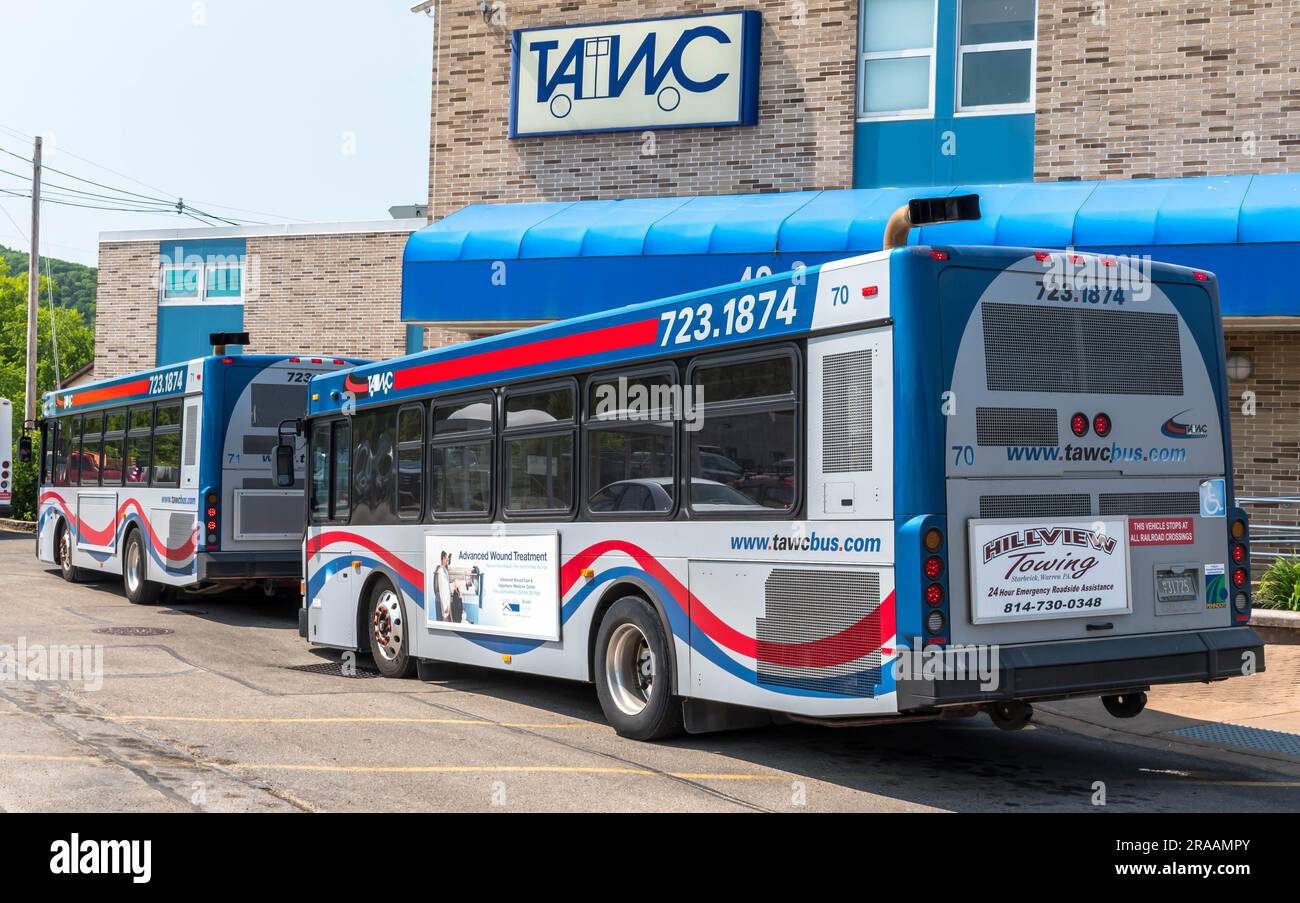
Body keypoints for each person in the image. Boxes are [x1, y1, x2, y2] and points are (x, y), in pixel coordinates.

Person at [434, 551, 452, 622]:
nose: (447, 560)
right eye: (447, 558)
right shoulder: (441, 571)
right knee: (443, 622)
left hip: (444, 601)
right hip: (443, 602)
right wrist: (446, 606)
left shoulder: (444, 570)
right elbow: (443, 590)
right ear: (444, 558)